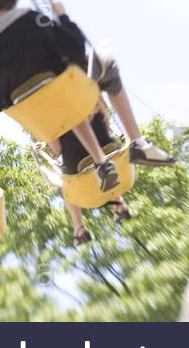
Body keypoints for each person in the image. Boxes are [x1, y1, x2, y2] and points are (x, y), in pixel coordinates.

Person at [0, 0, 119, 192]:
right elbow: (75, 47)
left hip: (36, 118)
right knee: (65, 93)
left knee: (56, 104)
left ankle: (68, 162)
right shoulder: (31, 19)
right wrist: (63, 17)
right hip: (64, 99)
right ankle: (101, 160)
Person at [37, 103, 132, 247]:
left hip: (80, 168)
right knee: (104, 159)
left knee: (65, 186)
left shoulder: (49, 116)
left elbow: (57, 150)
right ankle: (118, 202)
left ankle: (79, 227)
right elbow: (107, 127)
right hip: (113, 158)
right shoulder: (91, 96)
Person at [87, 45, 174, 167]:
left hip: (73, 170)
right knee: (106, 62)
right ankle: (137, 142)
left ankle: (101, 160)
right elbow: (106, 124)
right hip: (104, 157)